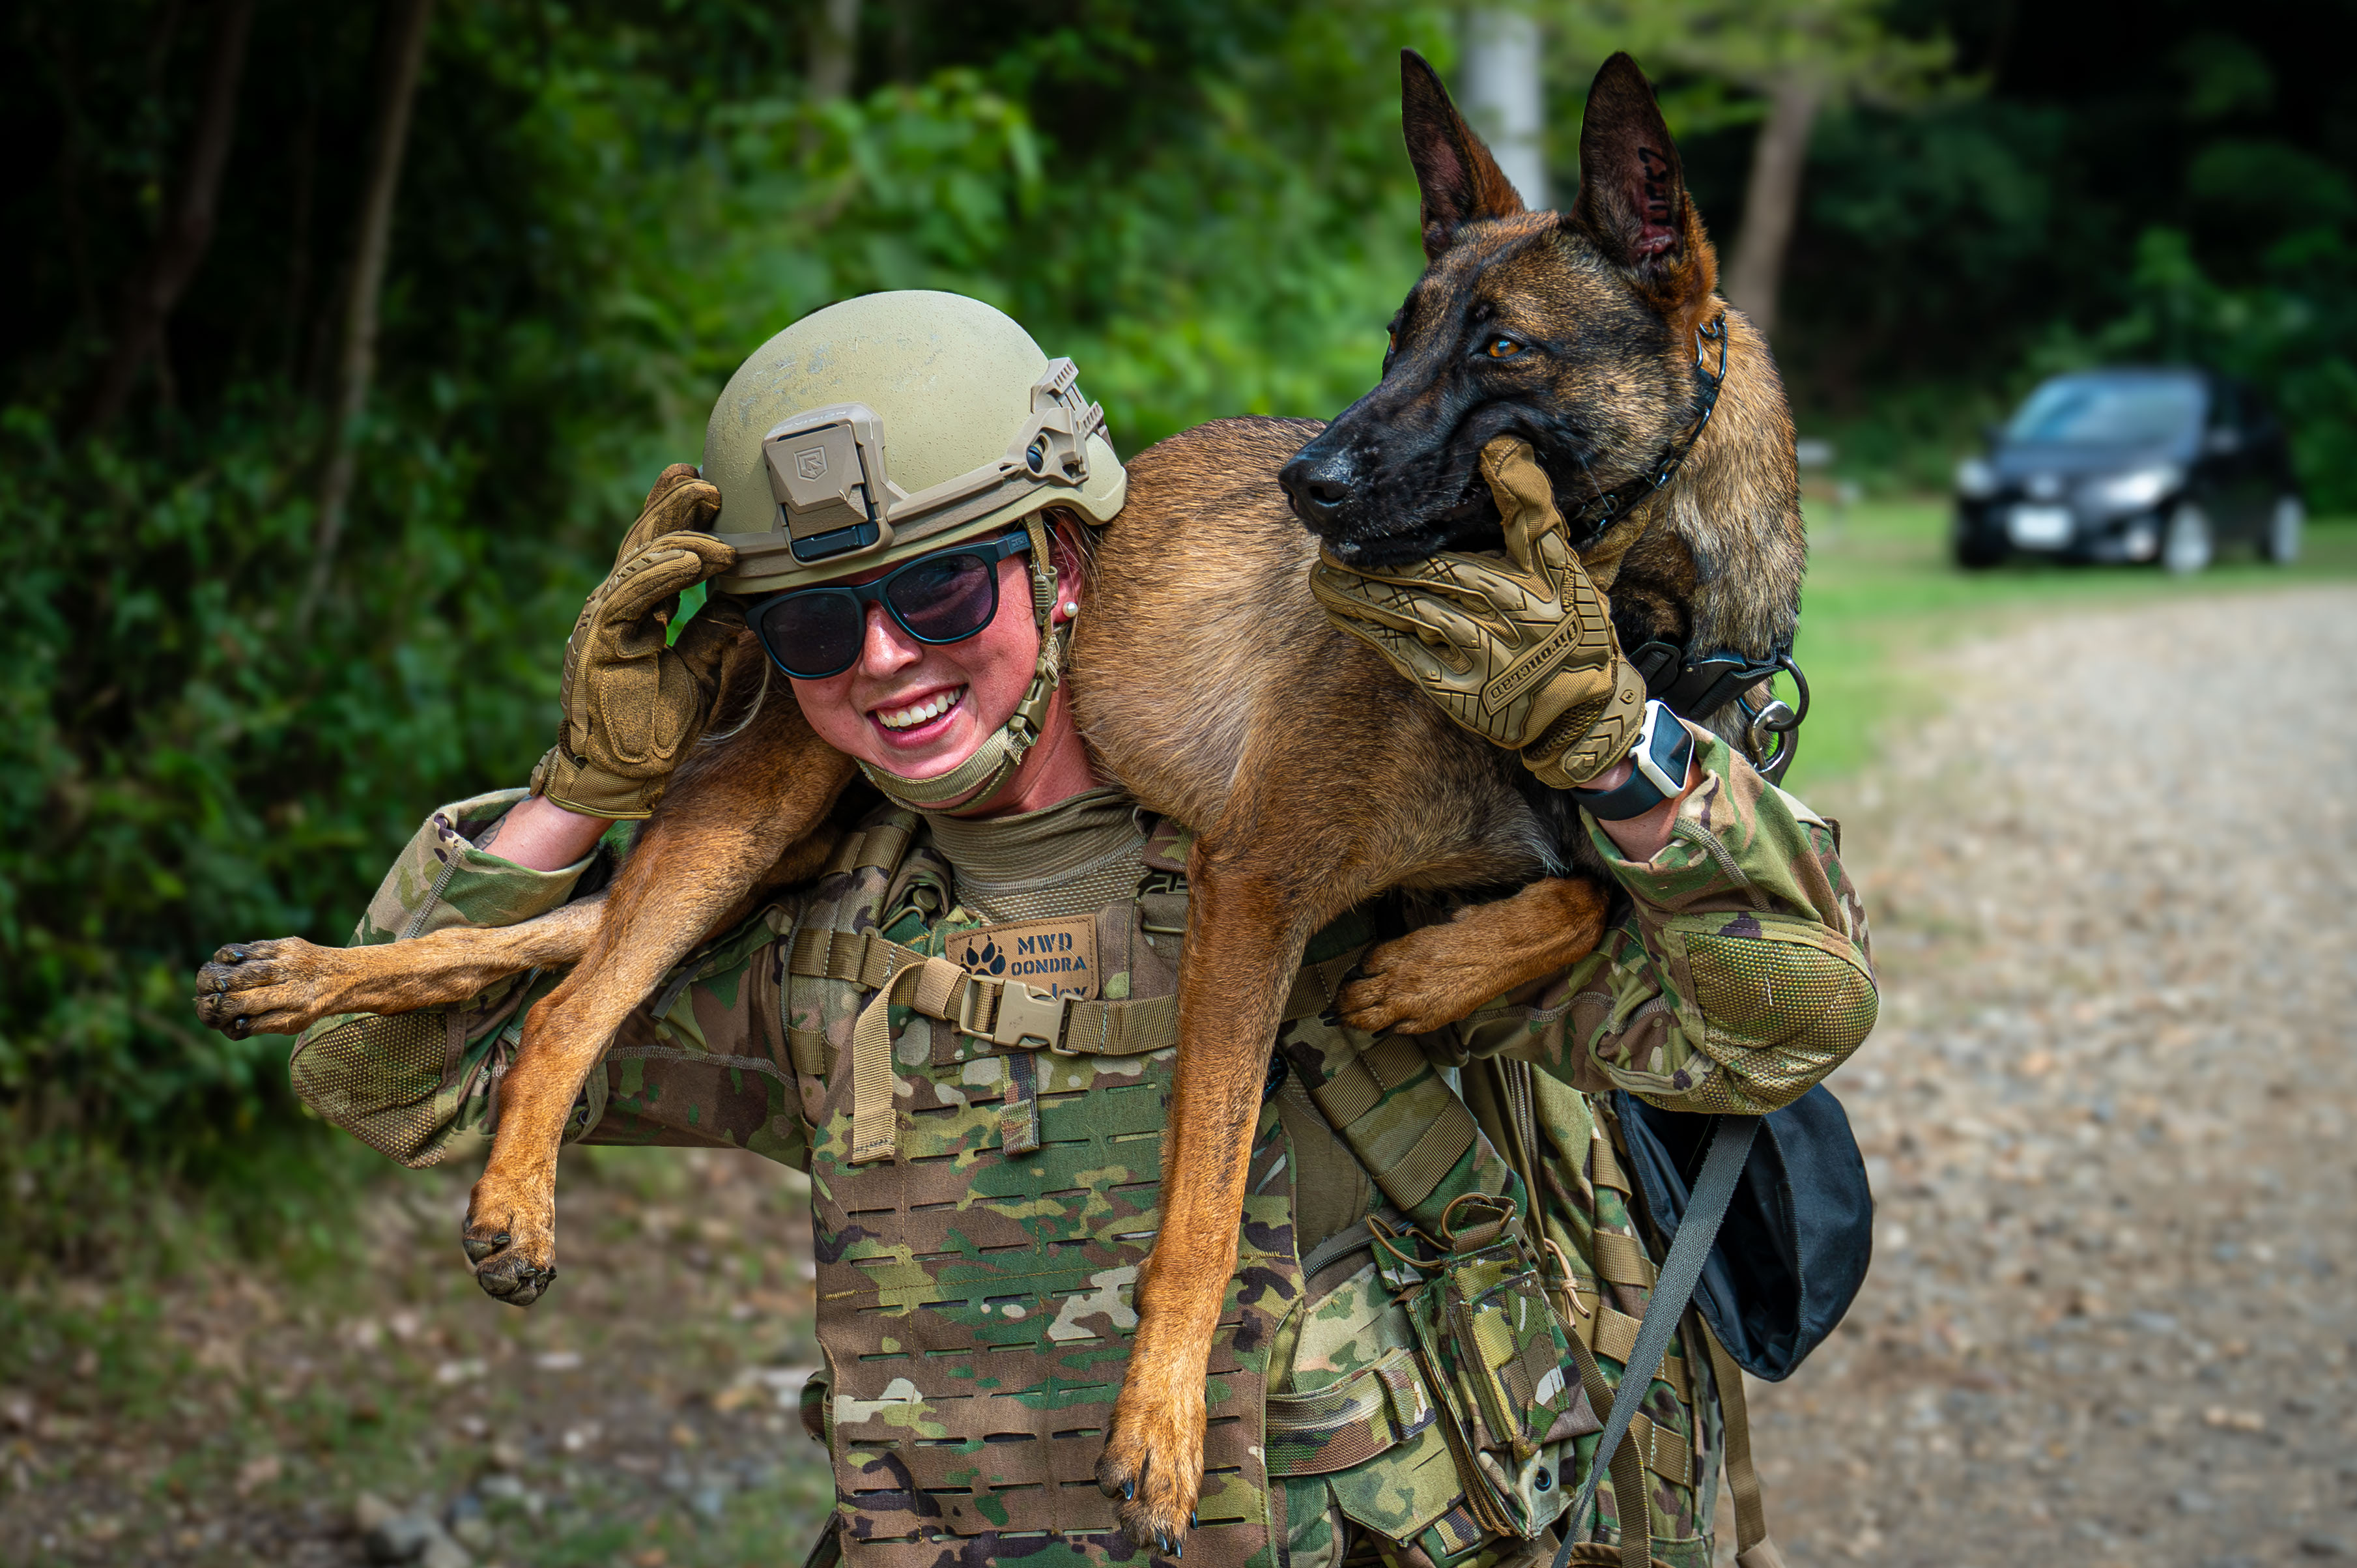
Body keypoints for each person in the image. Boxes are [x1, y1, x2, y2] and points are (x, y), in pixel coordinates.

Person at [284, 291, 1874, 1568]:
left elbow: (1785, 1011)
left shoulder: (1357, 843)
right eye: (820, 623)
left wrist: (1614, 750)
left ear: (1066, 564)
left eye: (950, 593)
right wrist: (575, 803)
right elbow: (379, 1074)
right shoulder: (831, 935)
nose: (889, 660)